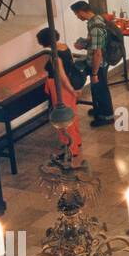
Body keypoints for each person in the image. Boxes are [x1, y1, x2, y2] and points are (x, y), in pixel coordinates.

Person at [35, 27, 83, 167]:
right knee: (72, 114)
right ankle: (76, 142)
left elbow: (61, 75)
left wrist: (72, 90)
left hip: (60, 88)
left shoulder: (54, 55)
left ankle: (71, 148)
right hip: (67, 86)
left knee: (63, 118)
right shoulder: (65, 47)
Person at [70, 0, 114, 128]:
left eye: (77, 14)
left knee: (101, 89)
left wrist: (94, 73)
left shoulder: (95, 27)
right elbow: (92, 42)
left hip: (99, 64)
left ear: (82, 11)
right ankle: (98, 109)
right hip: (96, 61)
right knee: (96, 88)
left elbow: (98, 53)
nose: (78, 17)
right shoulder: (95, 20)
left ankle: (107, 116)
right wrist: (83, 43)